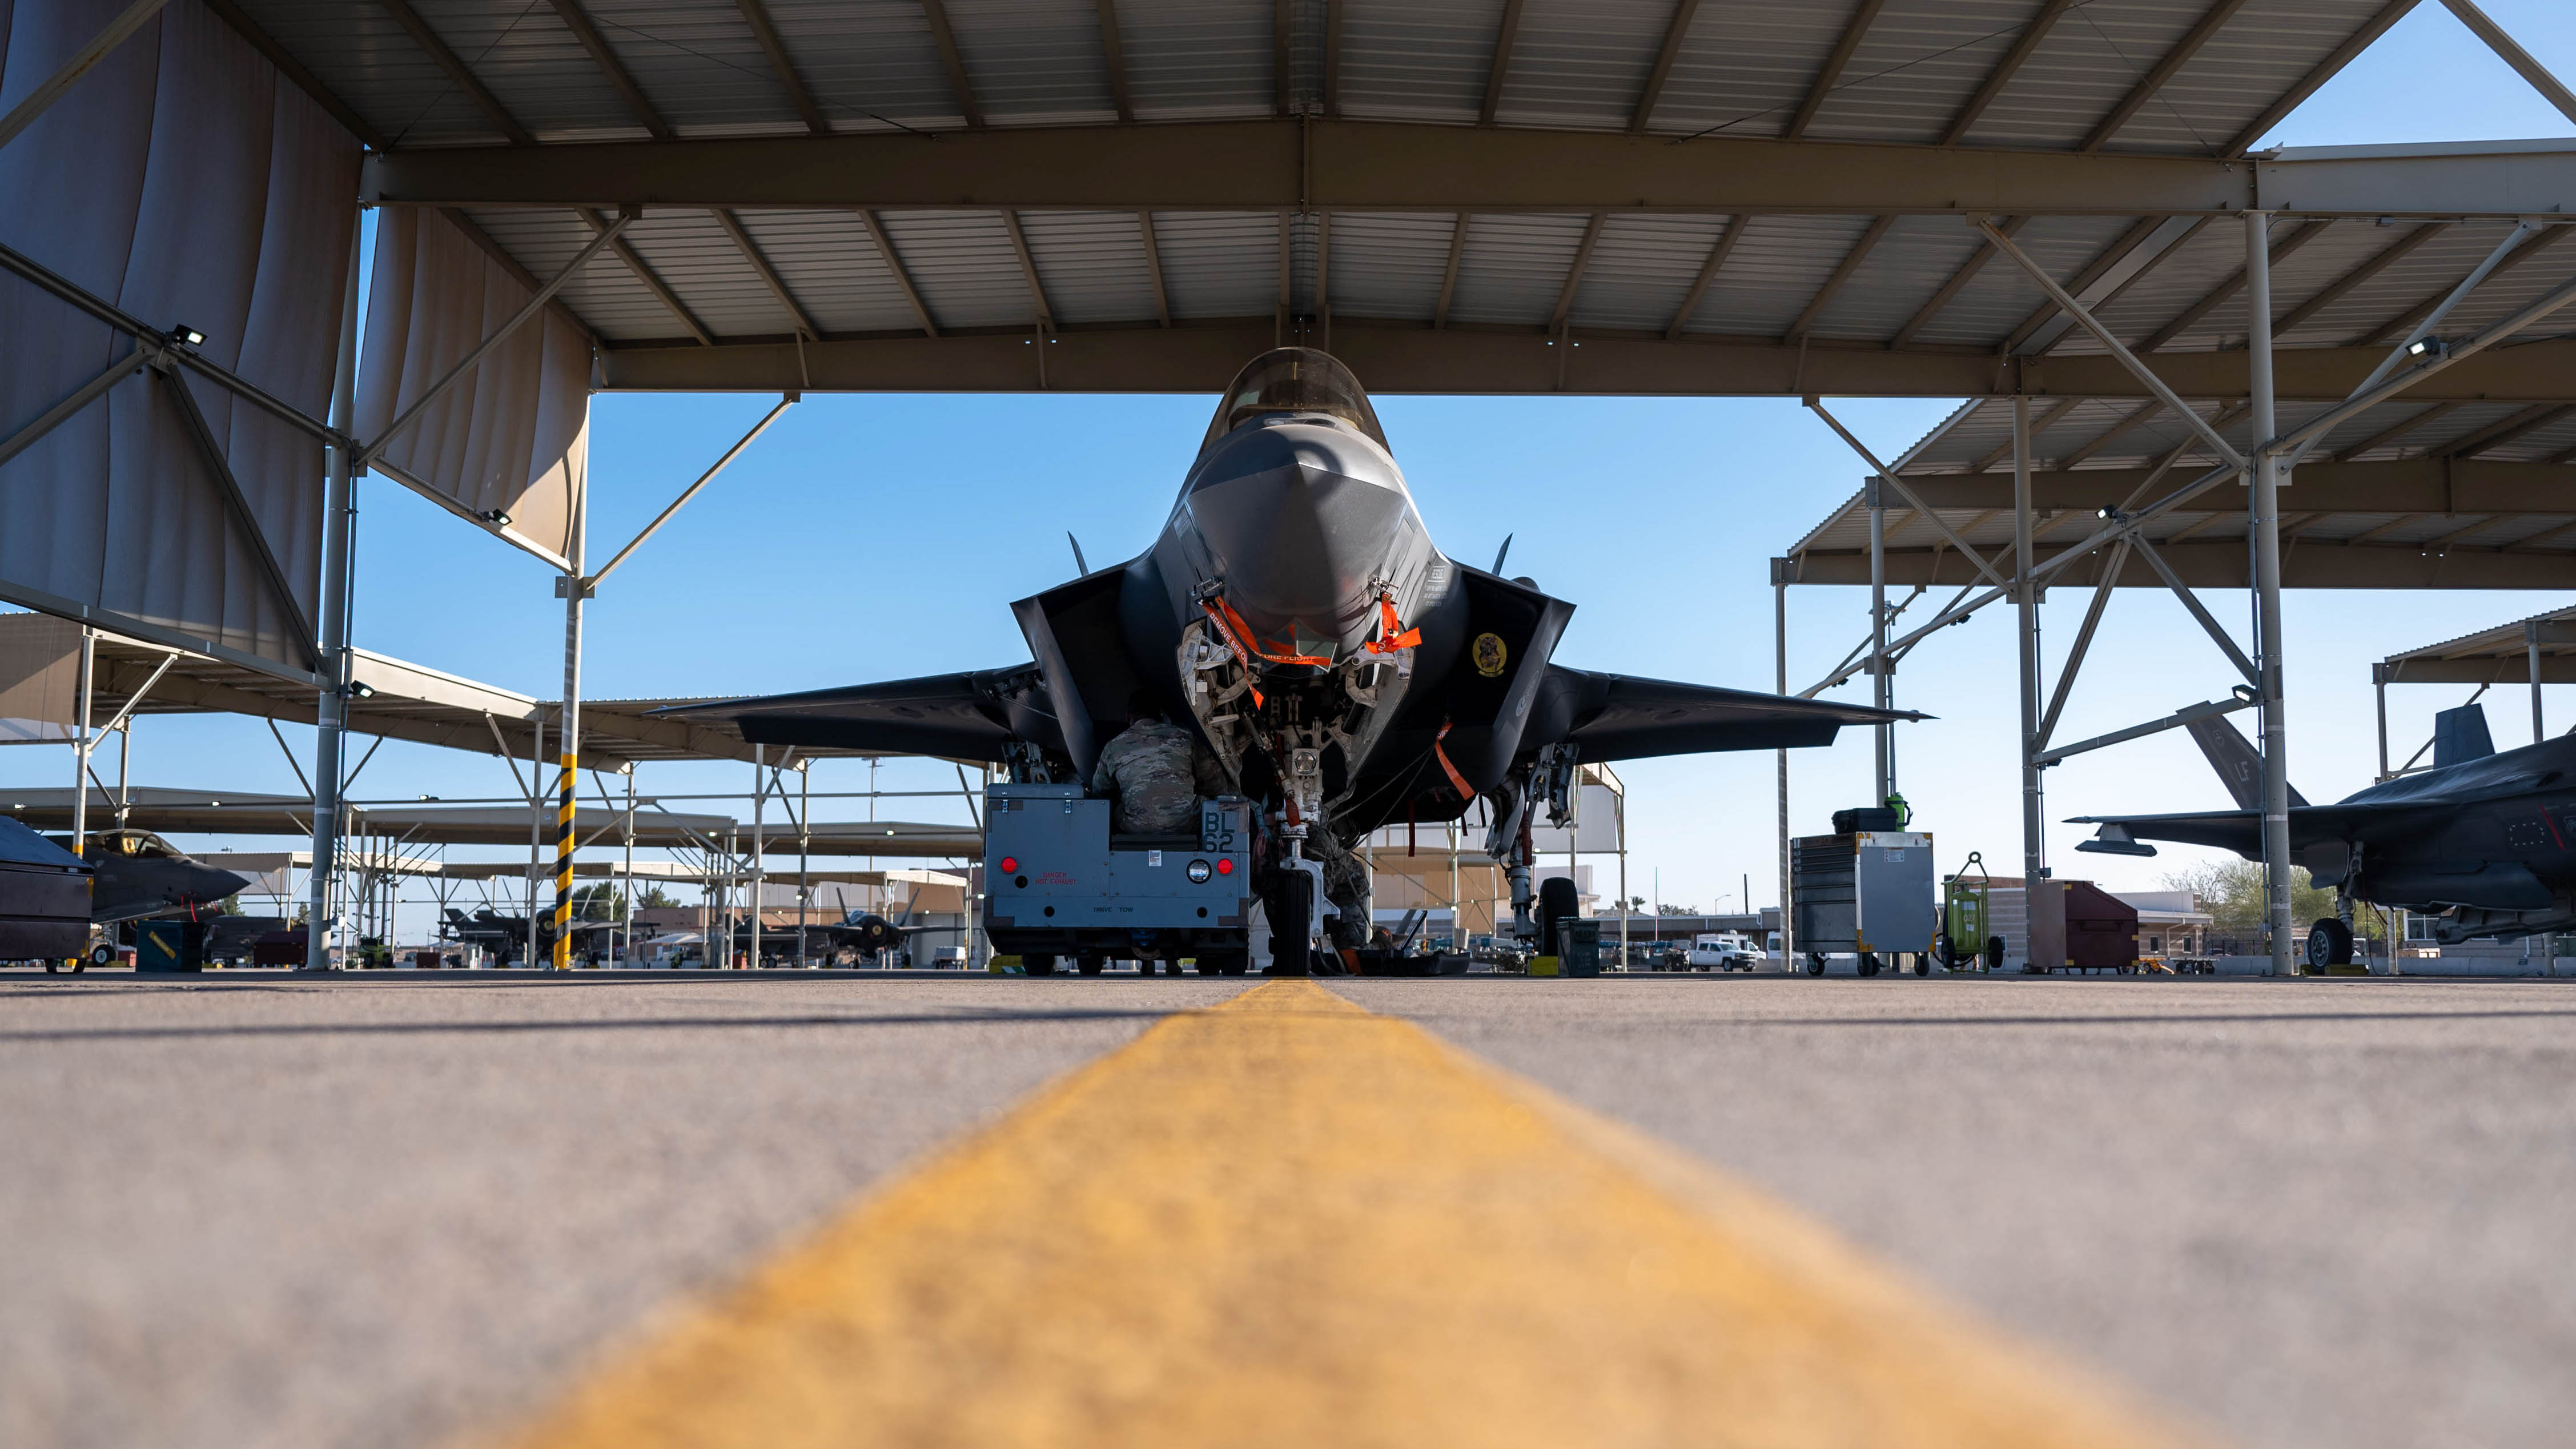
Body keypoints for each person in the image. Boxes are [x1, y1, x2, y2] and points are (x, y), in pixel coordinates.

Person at [1092, 688, 1218, 833]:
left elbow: (1100, 793)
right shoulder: (1185, 737)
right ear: (1161, 714)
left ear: (1128, 716)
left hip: (1135, 828)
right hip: (1187, 824)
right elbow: (1212, 780)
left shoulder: (1113, 747)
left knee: (1115, 809)